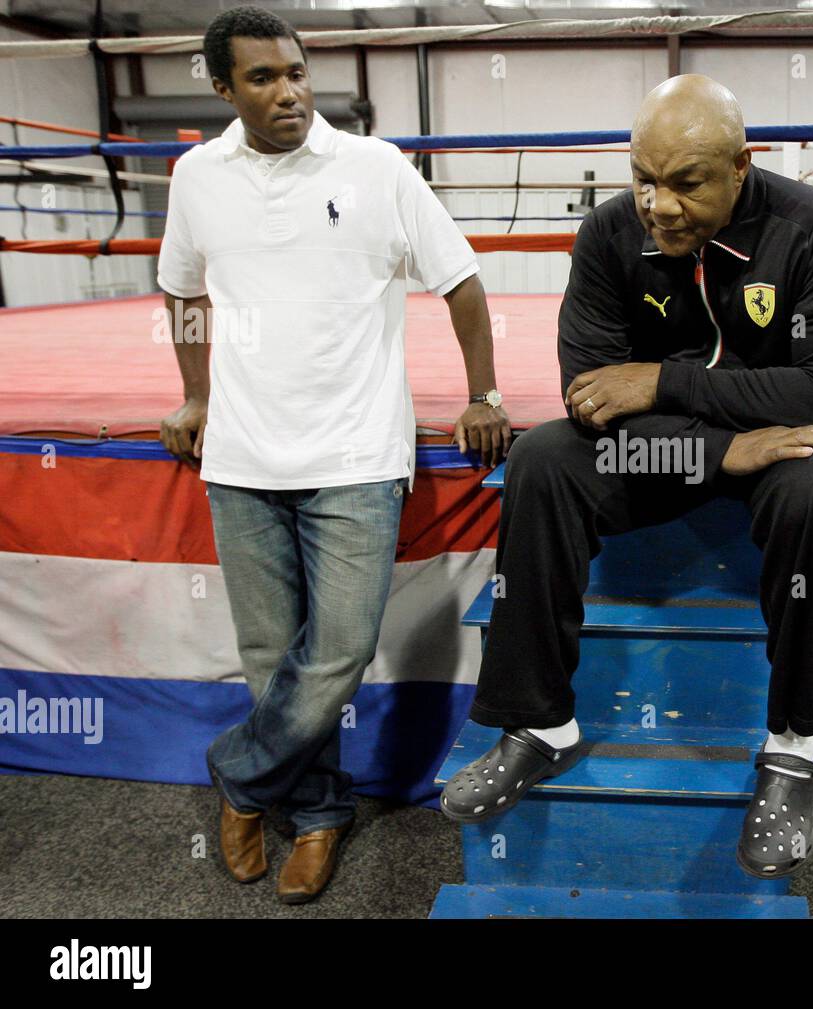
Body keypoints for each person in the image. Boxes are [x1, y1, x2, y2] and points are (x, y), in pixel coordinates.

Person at [441, 74, 813, 878]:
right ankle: (540, 722)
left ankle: (791, 747)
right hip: (663, 454)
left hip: (780, 454)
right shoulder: (609, 235)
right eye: (644, 179)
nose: (659, 205)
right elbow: (590, 393)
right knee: (542, 459)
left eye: (685, 183)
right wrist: (717, 448)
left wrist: (665, 381)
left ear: (742, 165)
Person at [157, 4, 510, 903]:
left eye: (298, 72)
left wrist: (485, 393)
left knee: (341, 650)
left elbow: (462, 279)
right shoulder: (196, 176)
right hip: (240, 460)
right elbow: (184, 292)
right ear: (223, 86)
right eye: (264, 78)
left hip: (355, 454)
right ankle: (315, 813)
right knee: (272, 655)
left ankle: (239, 775)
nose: (290, 92)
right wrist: (197, 394)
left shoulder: (375, 168)